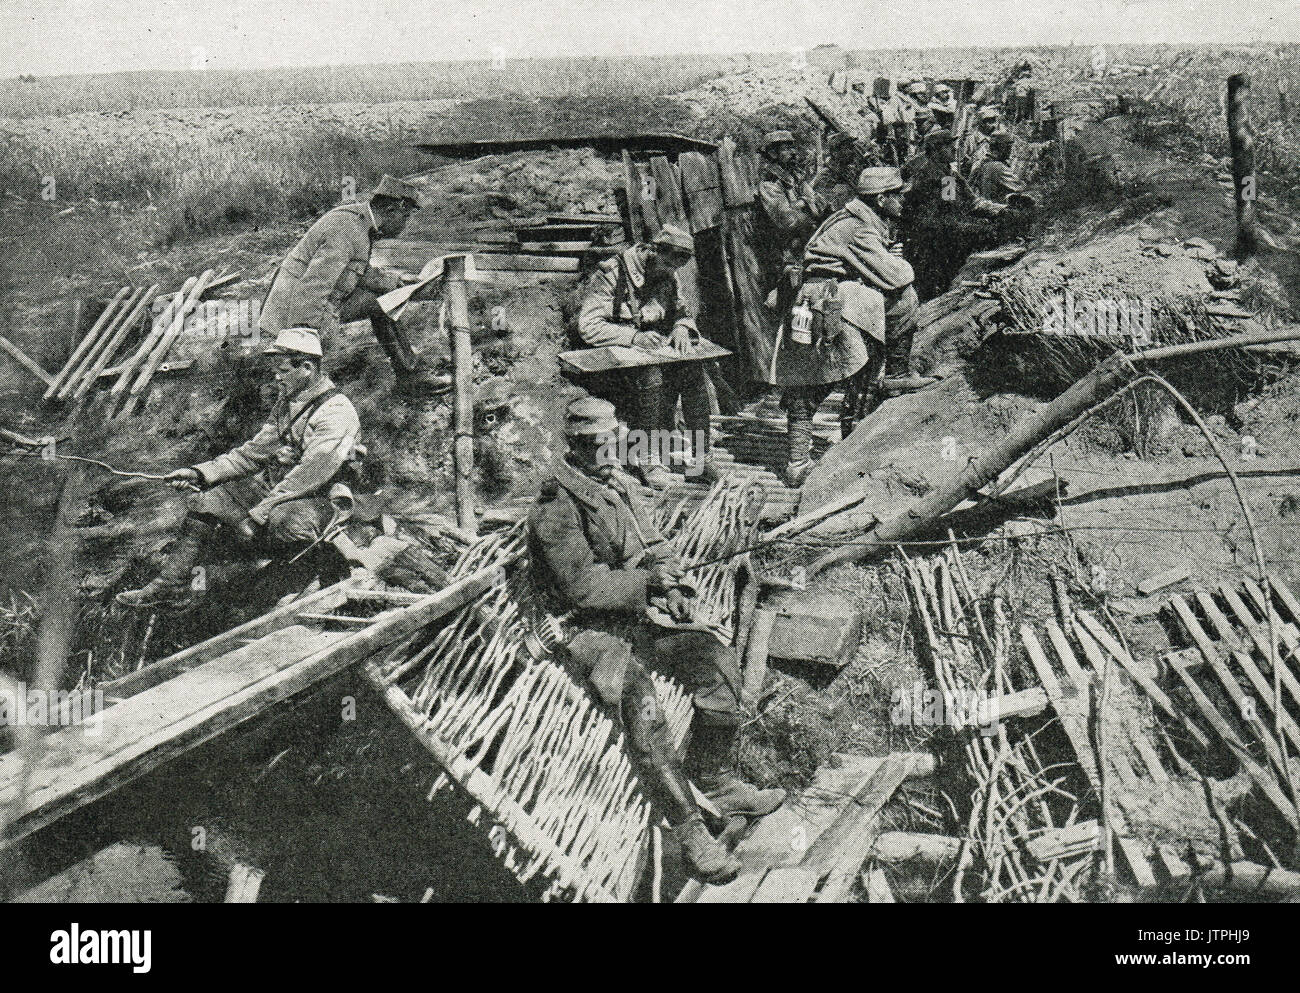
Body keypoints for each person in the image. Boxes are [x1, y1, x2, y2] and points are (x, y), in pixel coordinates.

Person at [528, 397, 786, 883]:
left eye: (614, 439)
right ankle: (691, 834)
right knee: (642, 705)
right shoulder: (554, 508)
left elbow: (654, 547)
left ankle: (717, 778)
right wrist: (647, 584)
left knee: (714, 659)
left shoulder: (617, 486)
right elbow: (582, 588)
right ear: (580, 447)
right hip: (589, 630)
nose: (615, 448)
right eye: (604, 443)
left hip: (639, 616)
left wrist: (674, 584)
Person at [117, 328, 362, 609]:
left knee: (283, 522)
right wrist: (200, 473)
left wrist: (257, 515)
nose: (277, 378)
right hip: (284, 490)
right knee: (208, 500)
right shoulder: (289, 404)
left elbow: (310, 475)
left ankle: (308, 569)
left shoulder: (336, 412)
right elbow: (253, 453)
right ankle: (169, 584)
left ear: (306, 368)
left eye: (282, 370)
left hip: (321, 500)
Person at [773, 167, 918, 484]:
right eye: (898, 196)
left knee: (805, 387)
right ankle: (896, 375)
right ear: (881, 199)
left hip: (808, 302)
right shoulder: (859, 228)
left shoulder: (849, 219)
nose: (903, 202)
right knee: (853, 379)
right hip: (832, 304)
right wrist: (899, 260)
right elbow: (898, 277)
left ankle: (799, 463)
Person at [259, 175, 447, 395]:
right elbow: (312, 288)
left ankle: (409, 377)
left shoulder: (359, 223)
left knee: (385, 303)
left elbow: (357, 270)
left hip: (324, 298)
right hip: (296, 310)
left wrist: (398, 284)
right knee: (308, 381)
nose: (405, 225)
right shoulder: (346, 229)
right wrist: (304, 341)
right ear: (391, 210)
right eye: (405, 217)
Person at [576, 224, 716, 488]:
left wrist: (682, 326)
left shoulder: (668, 273)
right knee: (650, 375)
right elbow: (588, 326)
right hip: (612, 366)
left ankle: (700, 456)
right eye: (666, 265)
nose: (670, 273)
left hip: (650, 356)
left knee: (693, 373)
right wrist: (633, 337)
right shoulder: (612, 274)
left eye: (675, 268)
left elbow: (680, 310)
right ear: (652, 252)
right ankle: (649, 460)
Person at [751, 130, 820, 413]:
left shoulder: (793, 180)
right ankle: (783, 385)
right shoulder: (769, 183)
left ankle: (798, 381)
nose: (792, 152)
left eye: (792, 147)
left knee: (803, 319)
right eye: (784, 148)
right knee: (788, 322)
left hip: (802, 257)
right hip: (782, 263)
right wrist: (807, 206)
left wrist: (808, 204)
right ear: (772, 153)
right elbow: (786, 221)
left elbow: (820, 206)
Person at [961, 106, 1004, 178]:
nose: (993, 125)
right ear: (982, 123)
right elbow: (960, 162)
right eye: (990, 122)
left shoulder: (997, 138)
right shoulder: (970, 139)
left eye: (994, 121)